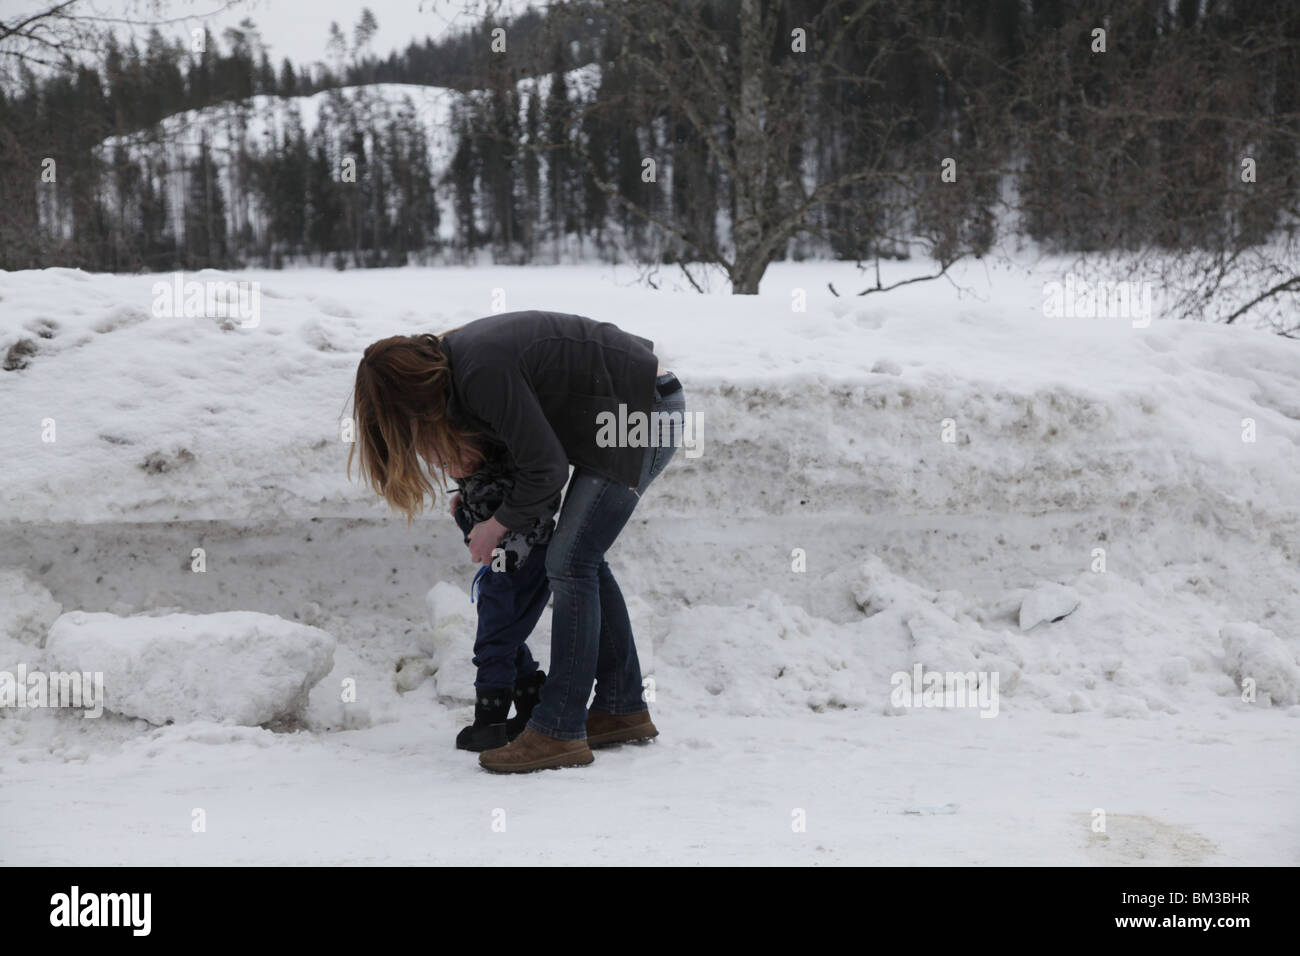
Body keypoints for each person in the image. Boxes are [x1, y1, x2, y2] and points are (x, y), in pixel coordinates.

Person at [349, 310, 686, 773]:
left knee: (570, 561)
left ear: (416, 391)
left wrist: (497, 524)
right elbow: (521, 443)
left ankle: (558, 730)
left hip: (642, 411)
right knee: (582, 554)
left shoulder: (479, 370)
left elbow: (545, 469)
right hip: (618, 408)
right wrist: (475, 496)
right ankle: (620, 706)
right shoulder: (461, 366)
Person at [448, 442, 556, 752]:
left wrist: (463, 517)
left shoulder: (495, 481)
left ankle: (490, 721)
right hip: (516, 561)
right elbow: (480, 532)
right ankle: (529, 706)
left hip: (508, 564)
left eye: (451, 457)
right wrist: (462, 511)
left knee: (494, 639)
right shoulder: (483, 480)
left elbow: (510, 525)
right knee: (507, 633)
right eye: (443, 465)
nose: (448, 467)